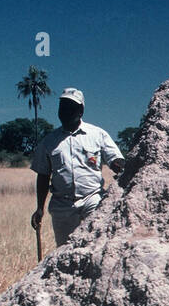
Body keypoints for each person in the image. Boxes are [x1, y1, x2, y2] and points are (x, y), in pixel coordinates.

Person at [29, 88, 126, 248]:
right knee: (64, 251)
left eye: (71, 107)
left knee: (96, 245)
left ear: (81, 110)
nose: (65, 112)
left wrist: (124, 168)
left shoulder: (97, 134)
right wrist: (39, 208)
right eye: (63, 107)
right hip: (62, 204)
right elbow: (43, 176)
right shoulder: (49, 142)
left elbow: (115, 160)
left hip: (92, 199)